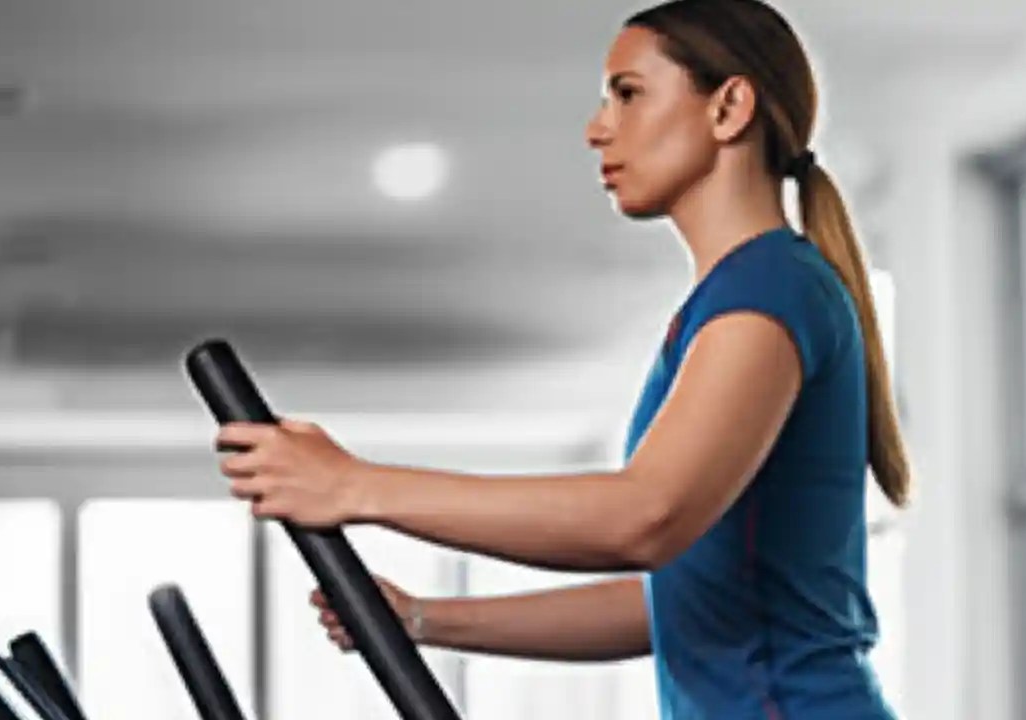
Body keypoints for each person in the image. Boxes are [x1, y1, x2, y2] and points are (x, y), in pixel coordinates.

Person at [214, 0, 911, 716]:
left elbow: (642, 518)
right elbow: (678, 601)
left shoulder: (770, 290)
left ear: (729, 107)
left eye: (628, 94)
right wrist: (423, 619)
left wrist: (355, 487)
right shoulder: (736, 300)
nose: (597, 127)